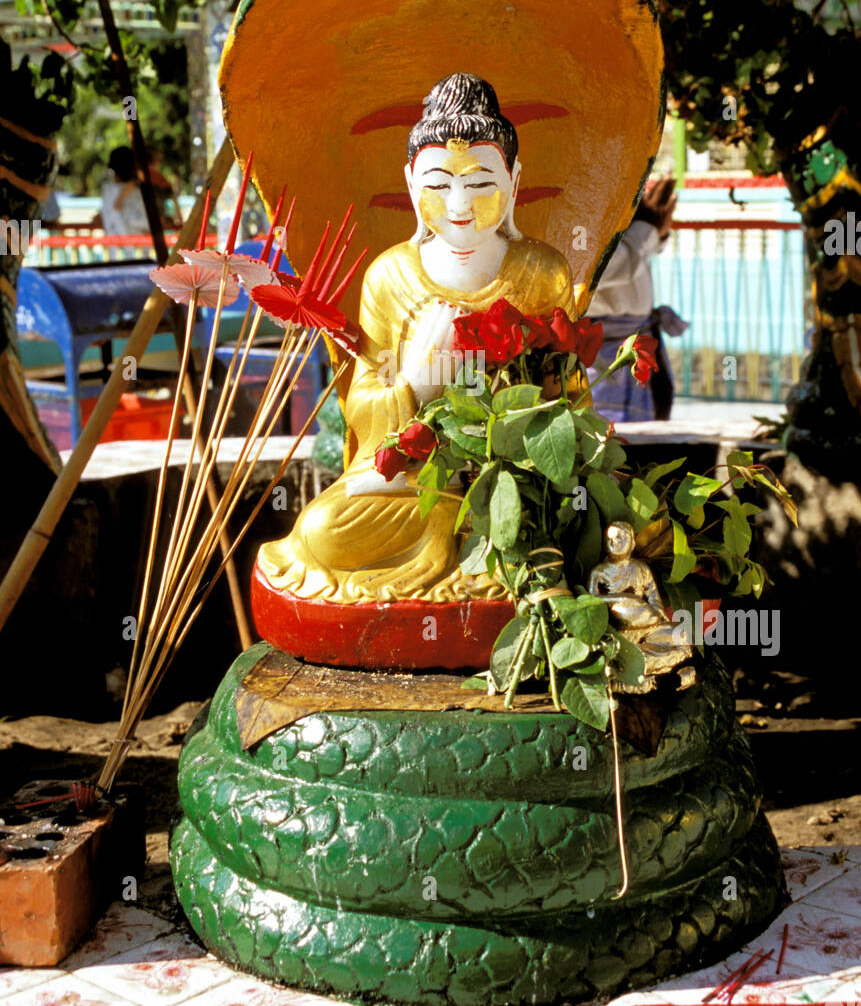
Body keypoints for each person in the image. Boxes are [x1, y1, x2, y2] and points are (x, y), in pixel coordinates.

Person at [256, 72, 575, 606]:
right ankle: (474, 562)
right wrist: (414, 384)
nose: (459, 206)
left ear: (514, 183)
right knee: (318, 531)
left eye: (480, 184)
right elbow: (362, 409)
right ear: (410, 184)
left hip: (511, 480)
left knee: (572, 514)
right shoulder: (390, 276)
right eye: (437, 185)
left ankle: (489, 552)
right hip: (414, 485)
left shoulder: (542, 273)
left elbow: (568, 401)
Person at [587, 174, 687, 421]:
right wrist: (648, 228)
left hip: (633, 343)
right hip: (601, 352)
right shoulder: (578, 207)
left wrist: (654, 228)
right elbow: (605, 266)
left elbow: (638, 252)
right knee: (602, 440)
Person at [100, 146, 149, 235]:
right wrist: (122, 195)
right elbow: (112, 220)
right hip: (129, 243)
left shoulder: (108, 190)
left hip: (122, 244)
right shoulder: (110, 190)